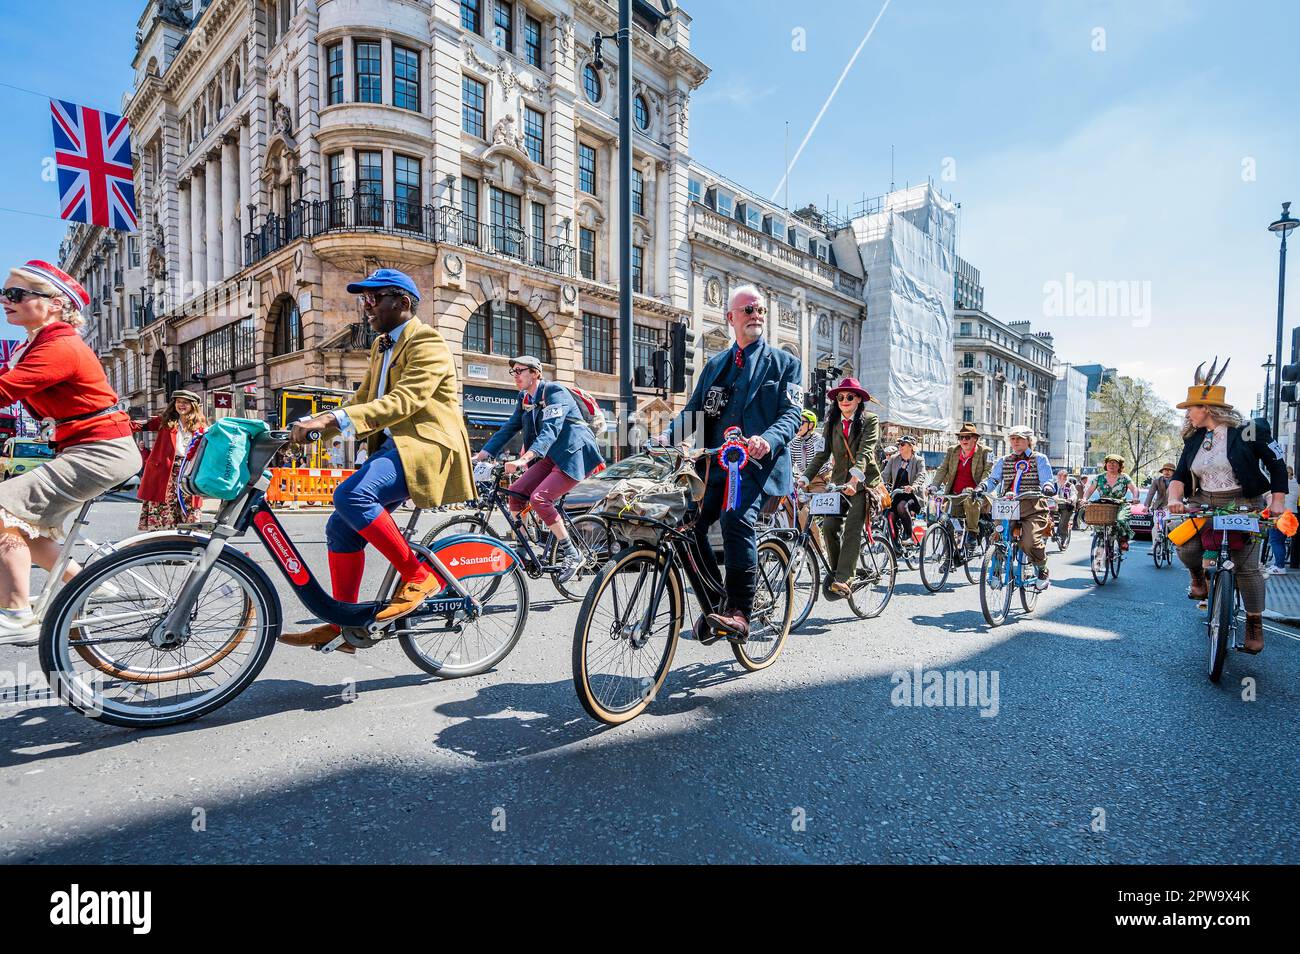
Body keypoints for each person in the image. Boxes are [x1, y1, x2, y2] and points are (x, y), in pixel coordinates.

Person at [280, 268, 474, 653]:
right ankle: (345, 623)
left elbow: (406, 401)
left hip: (425, 446)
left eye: (374, 297)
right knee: (340, 527)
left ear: (402, 303)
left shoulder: (428, 342)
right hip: (393, 446)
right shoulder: (381, 345)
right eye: (363, 298)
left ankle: (419, 576)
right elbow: (362, 401)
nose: (366, 306)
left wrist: (331, 420)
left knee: (351, 496)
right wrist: (313, 425)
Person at [0, 261, 142, 644]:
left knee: (2, 510)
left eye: (16, 294)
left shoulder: (58, 344)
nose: (4, 299)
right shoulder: (41, 342)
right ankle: (88, 583)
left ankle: (15, 614)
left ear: (55, 303)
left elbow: (5, 391)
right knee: (25, 524)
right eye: (4, 292)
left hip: (101, 450)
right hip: (92, 446)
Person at [657, 284, 803, 638]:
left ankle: (740, 610)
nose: (756, 315)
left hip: (757, 466)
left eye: (760, 310)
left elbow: (793, 414)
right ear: (731, 318)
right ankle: (713, 605)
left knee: (735, 517)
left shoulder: (786, 364)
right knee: (687, 524)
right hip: (714, 464)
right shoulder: (715, 365)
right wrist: (666, 438)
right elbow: (693, 413)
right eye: (748, 310)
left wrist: (766, 440)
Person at [1167, 359, 1287, 653]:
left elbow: (1277, 464)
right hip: (1204, 501)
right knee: (1185, 545)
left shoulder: (1249, 430)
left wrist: (1278, 503)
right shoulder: (1193, 438)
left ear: (1206, 408)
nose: (1187, 413)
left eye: (1190, 408)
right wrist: (1174, 498)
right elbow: (1181, 475)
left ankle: (1254, 625)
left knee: (1246, 568)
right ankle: (1198, 578)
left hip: (1244, 502)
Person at [474, 354, 603, 583]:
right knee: (515, 494)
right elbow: (509, 428)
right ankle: (525, 548)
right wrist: (483, 454)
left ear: (535, 373)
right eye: (513, 372)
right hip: (551, 455)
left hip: (574, 452)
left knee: (540, 498)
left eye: (520, 371)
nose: (516, 376)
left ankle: (572, 553)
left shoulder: (554, 391)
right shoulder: (524, 398)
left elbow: (550, 430)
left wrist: (525, 459)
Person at [800, 377, 883, 598]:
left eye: (849, 396)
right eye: (840, 397)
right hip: (837, 482)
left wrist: (855, 480)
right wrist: (805, 478)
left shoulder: (870, 420)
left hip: (863, 483)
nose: (844, 400)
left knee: (852, 528)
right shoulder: (832, 424)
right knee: (828, 525)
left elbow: (865, 452)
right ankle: (839, 573)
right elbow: (822, 454)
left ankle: (844, 578)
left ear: (858, 399)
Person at [979, 424, 1057, 591]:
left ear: (1029, 441)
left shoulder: (1039, 458)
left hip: (1033, 506)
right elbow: (993, 480)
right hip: (1008, 507)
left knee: (1030, 542)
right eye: (1013, 438)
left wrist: (1048, 488)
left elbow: (1047, 480)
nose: (1015, 442)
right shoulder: (1004, 460)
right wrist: (982, 488)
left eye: (1019, 438)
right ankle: (997, 570)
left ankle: (1042, 569)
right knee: (998, 537)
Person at [133, 389, 208, 531]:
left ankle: (187, 537)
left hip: (189, 469)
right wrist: (114, 423)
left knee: (189, 503)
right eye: (178, 402)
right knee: (165, 503)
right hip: (166, 470)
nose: (181, 405)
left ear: (193, 405)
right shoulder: (166, 421)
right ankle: (165, 538)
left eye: (185, 403)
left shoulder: (201, 426)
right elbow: (140, 425)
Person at [930, 422, 992, 556]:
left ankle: (972, 535)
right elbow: (943, 469)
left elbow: (988, 472)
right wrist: (934, 485)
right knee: (946, 522)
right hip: (955, 494)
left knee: (970, 498)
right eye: (961, 437)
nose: (963, 440)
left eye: (967, 437)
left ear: (975, 438)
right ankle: (950, 558)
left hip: (975, 494)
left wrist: (980, 487)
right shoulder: (953, 450)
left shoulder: (986, 452)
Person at [1081, 454, 1137, 550]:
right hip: (1104, 504)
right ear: (1106, 465)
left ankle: (1123, 539)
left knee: (1121, 520)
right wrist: (1084, 499)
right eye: (1109, 463)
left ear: (1119, 466)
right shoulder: (1099, 478)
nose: (1112, 465)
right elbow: (1090, 490)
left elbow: (1134, 489)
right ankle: (1099, 548)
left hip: (1120, 504)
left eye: (1115, 463)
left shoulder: (1124, 477)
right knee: (1099, 525)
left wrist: (1135, 497)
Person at [881, 435, 926, 548]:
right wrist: (875, 484)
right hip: (895, 494)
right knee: (889, 514)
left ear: (911, 447)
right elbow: (884, 475)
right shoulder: (894, 459)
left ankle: (909, 535)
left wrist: (913, 487)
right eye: (899, 444)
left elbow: (921, 476)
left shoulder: (918, 460)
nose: (899, 446)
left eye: (902, 444)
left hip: (911, 496)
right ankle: (895, 544)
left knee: (902, 506)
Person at [1266, 466, 1299, 576]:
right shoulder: (1296, 484)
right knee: (1280, 541)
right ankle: (1278, 564)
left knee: (1276, 541)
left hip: (1279, 515)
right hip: (1292, 515)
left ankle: (1279, 566)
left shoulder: (1279, 484)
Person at [1054, 468, 1076, 540]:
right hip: (1055, 505)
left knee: (1063, 521)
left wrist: (1070, 499)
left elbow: (1073, 494)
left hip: (1066, 506)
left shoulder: (1070, 485)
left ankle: (1063, 537)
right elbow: (1053, 494)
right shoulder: (1055, 484)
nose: (1060, 477)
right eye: (1059, 475)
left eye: (1063, 475)